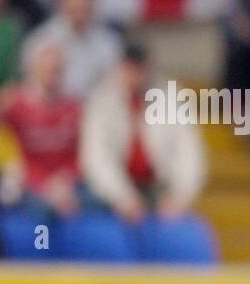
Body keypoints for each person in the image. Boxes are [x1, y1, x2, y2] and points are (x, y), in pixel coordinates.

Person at [80, 44, 207, 223]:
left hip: (159, 189)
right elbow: (97, 157)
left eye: (140, 69)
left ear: (149, 69)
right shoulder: (102, 100)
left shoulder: (171, 97)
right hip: (112, 193)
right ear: (120, 68)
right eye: (130, 69)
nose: (135, 76)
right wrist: (121, 197)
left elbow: (189, 152)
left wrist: (180, 196)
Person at [0, 41, 82, 218]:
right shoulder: (16, 105)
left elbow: (79, 156)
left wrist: (64, 181)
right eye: (46, 69)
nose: (51, 75)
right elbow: (16, 155)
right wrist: (44, 185)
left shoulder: (73, 108)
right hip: (28, 182)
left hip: (66, 183)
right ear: (34, 69)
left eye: (56, 69)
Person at [20, 0, 121, 101]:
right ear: (61, 1)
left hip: (92, 111)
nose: (80, 4)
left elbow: (113, 87)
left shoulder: (108, 44)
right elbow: (29, 87)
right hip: (51, 109)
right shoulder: (41, 40)